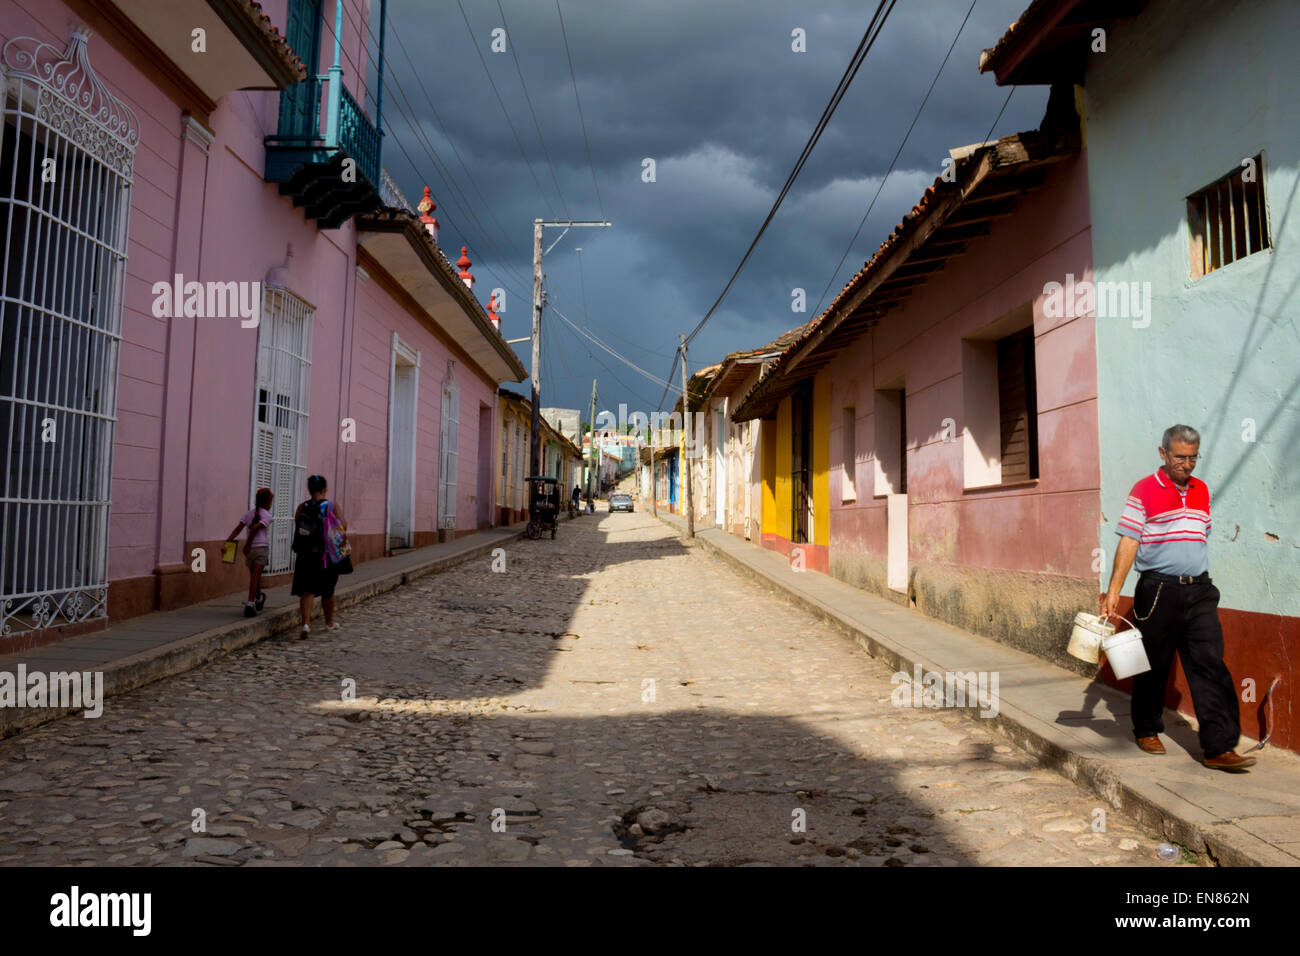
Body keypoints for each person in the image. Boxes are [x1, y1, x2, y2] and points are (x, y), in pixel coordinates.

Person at [1101, 425, 1254, 772]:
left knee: (1210, 664)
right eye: (1179, 457)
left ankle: (1218, 747)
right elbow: (1128, 540)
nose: (1187, 464)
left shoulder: (1201, 490)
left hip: (1199, 590)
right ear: (1163, 454)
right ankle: (1146, 729)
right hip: (1157, 590)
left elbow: (1201, 536)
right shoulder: (1144, 490)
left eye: (1192, 457)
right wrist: (1114, 590)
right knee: (1152, 663)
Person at [291, 475, 347, 640]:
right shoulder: (331, 506)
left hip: (306, 555)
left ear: (309, 489)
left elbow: (298, 528)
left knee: (306, 591)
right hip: (325, 555)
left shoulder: (302, 507)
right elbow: (343, 525)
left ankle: (306, 624)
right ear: (324, 489)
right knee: (328, 591)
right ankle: (329, 622)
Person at [226, 488, 272, 617]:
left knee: (255, 576)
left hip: (250, 552)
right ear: (269, 502)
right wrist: (247, 544)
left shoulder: (248, 514)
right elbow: (255, 529)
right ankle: (250, 604)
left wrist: (227, 543)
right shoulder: (267, 515)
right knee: (255, 577)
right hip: (260, 549)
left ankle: (258, 598)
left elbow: (237, 530)